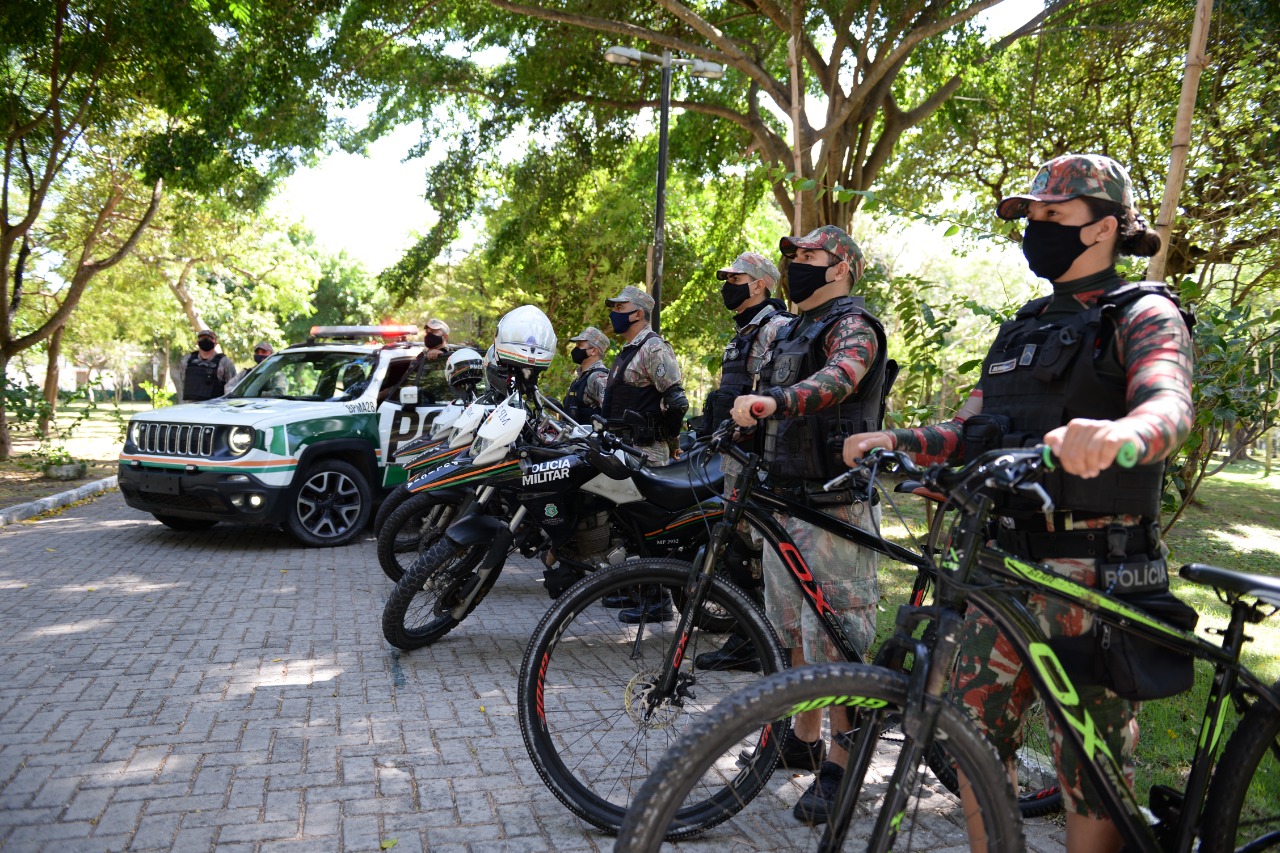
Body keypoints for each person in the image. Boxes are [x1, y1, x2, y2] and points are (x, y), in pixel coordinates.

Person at [843, 153, 1194, 853]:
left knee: (1088, 766)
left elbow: (1170, 407)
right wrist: (901, 437)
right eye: (1030, 218)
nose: (1036, 229)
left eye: (1052, 217)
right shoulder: (1022, 329)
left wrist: (1119, 434)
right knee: (968, 734)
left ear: (1102, 228)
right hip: (1002, 570)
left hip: (1093, 579)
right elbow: (972, 428)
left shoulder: (1143, 311)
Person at [730, 224, 894, 825]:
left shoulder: (853, 325)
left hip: (836, 511)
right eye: (792, 256)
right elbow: (770, 395)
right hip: (785, 502)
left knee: (838, 641)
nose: (797, 263)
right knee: (792, 635)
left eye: (810, 255)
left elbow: (840, 379)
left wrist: (778, 402)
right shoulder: (789, 328)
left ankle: (842, 771)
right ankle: (801, 740)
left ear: (842, 266)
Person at [693, 251, 791, 674]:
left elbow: (778, 394)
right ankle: (753, 636)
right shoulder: (745, 333)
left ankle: (767, 641)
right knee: (740, 549)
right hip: (736, 459)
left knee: (763, 552)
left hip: (761, 462)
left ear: (759, 284)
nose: (727, 284)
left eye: (735, 278)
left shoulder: (777, 329)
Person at [601, 285, 688, 466]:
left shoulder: (654, 347)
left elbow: (676, 403)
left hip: (645, 454)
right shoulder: (627, 351)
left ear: (638, 314)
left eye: (620, 308)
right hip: (620, 448)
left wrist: (672, 441)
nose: (613, 314)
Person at [562, 326, 609, 424]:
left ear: (594, 351)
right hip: (573, 437)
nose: (575, 349)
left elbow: (610, 415)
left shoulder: (598, 377)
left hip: (588, 438)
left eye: (580, 345)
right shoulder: (581, 378)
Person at [179, 329, 236, 402]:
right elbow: (182, 383)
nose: (206, 340)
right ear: (197, 342)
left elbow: (232, 386)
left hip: (215, 407)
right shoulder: (187, 360)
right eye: (202, 338)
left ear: (215, 343)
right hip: (191, 406)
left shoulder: (225, 362)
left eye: (210, 338)